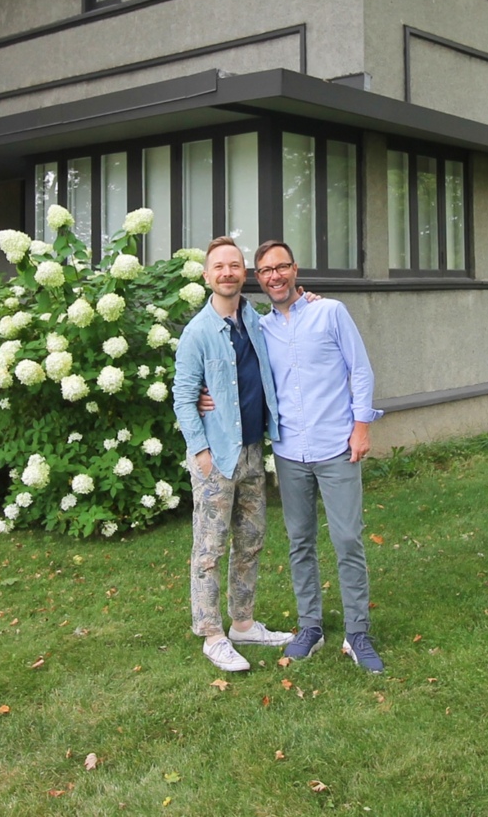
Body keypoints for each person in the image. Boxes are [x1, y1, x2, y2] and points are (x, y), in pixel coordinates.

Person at [253, 239, 385, 672]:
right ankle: (310, 626)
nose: (275, 276)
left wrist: (361, 426)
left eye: (281, 267)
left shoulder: (331, 312)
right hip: (289, 450)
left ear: (295, 270)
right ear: (259, 279)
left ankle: (357, 632)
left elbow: (360, 369)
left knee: (347, 539)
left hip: (336, 447)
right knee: (300, 541)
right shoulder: (261, 329)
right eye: (266, 271)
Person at [172, 236, 293, 672]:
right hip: (216, 457)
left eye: (235, 265)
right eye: (219, 266)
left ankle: (242, 624)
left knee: (251, 541)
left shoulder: (255, 322)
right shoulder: (197, 332)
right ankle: (211, 635)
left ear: (245, 273)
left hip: (253, 452)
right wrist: (201, 452)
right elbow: (183, 398)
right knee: (209, 549)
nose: (227, 272)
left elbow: (290, 318)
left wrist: (308, 299)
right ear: (207, 275)